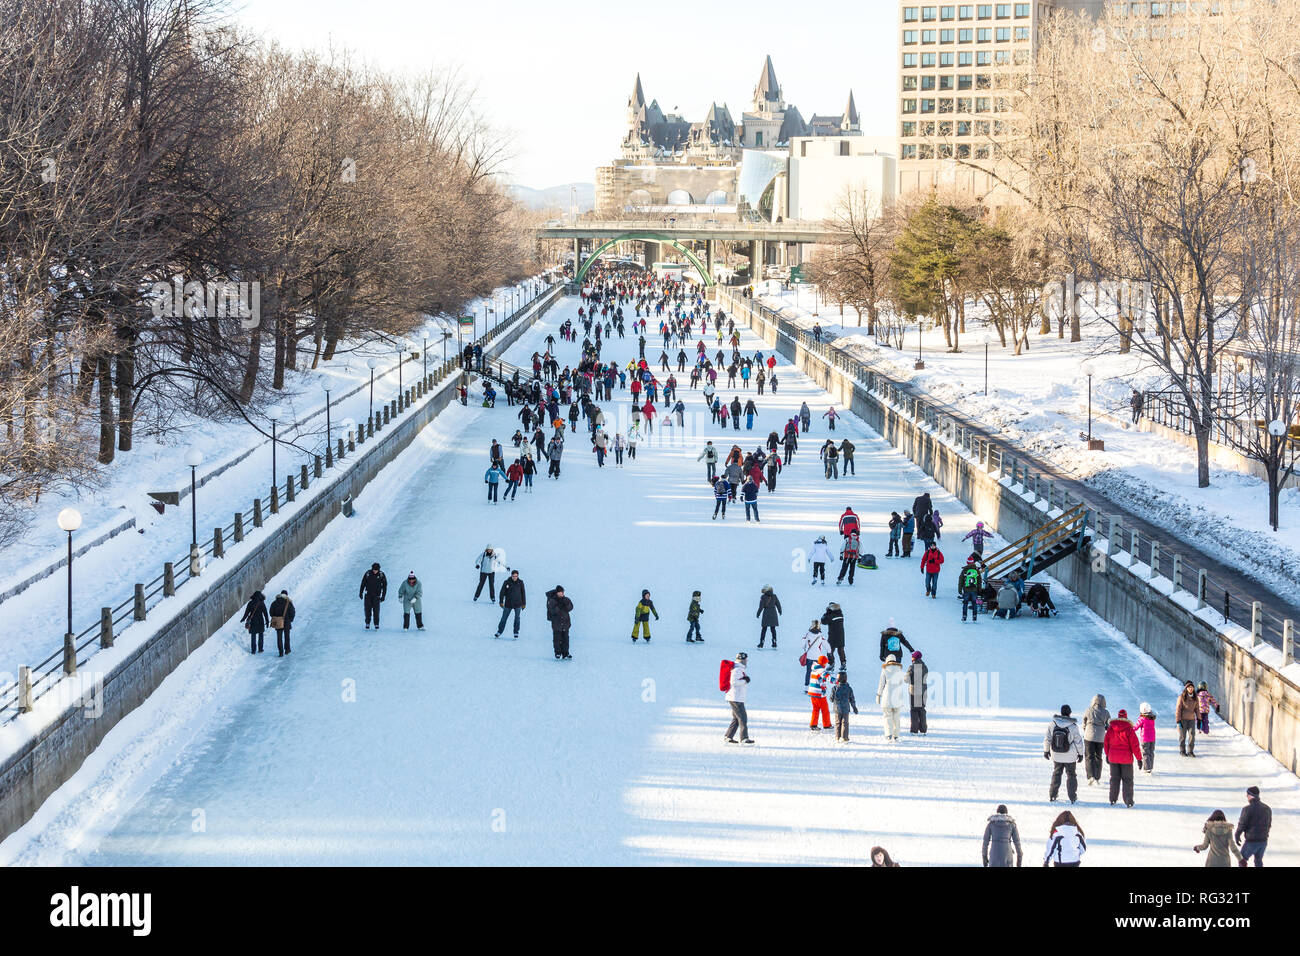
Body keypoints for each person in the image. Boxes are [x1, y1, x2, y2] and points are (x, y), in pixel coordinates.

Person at [1044, 704, 1084, 803]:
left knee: (1057, 773)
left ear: (1061, 712)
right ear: (1070, 713)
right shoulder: (1073, 726)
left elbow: (1048, 738)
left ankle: (1052, 795)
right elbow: (1078, 741)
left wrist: (1046, 751)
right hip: (1070, 756)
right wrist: (1081, 754)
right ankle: (1072, 797)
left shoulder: (1052, 724)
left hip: (1056, 754)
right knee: (1071, 775)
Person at [1103, 708, 1142, 807]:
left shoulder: (1111, 729)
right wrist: (1139, 759)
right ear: (1126, 717)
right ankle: (1128, 801)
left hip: (1113, 758)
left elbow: (1106, 742)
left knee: (1114, 779)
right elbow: (1135, 745)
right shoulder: (1129, 729)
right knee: (1127, 780)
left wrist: (1107, 754)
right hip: (1126, 759)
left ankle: (1112, 799)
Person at [1236, 786, 1271, 866]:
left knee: (1242, 860)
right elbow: (1269, 824)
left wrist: (1237, 835)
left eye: (1247, 794)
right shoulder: (1267, 809)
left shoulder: (1247, 809)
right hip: (1263, 841)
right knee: (1258, 861)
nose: (1246, 796)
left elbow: (1242, 824)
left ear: (1251, 795)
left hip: (1251, 841)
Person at [723, 651, 753, 744]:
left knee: (736, 718)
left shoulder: (738, 668)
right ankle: (744, 738)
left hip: (736, 697)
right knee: (743, 718)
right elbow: (734, 682)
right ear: (742, 660)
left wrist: (744, 679)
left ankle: (728, 736)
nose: (746, 661)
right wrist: (745, 681)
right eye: (745, 659)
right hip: (735, 698)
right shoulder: (737, 669)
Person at [1080, 694, 1110, 787]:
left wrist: (1086, 729)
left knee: (1089, 756)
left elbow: (1084, 722)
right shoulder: (1106, 712)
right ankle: (1097, 777)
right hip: (1100, 738)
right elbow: (1109, 725)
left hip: (1089, 736)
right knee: (1098, 757)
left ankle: (1090, 776)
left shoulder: (1088, 710)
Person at [876, 654, 907, 741]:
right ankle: (896, 735)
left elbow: (881, 683)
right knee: (896, 716)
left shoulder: (885, 669)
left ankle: (888, 734)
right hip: (897, 696)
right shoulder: (899, 669)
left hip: (887, 695)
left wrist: (878, 695)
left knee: (887, 715)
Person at [495, 569, 526, 639]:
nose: (515, 577)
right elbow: (502, 592)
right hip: (508, 603)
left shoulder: (520, 582)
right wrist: (501, 601)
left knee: (517, 619)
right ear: (511, 576)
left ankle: (516, 632)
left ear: (518, 576)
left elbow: (523, 593)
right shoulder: (507, 582)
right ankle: (499, 631)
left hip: (518, 604)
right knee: (503, 618)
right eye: (513, 576)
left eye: (516, 576)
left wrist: (524, 603)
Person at [545, 584, 573, 660]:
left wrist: (566, 605)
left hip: (565, 622)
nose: (561, 593)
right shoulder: (552, 600)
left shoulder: (566, 599)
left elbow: (571, 607)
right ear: (557, 592)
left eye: (562, 592)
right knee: (557, 639)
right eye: (560, 592)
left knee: (566, 639)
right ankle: (557, 653)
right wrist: (558, 608)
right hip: (556, 623)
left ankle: (566, 653)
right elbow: (551, 610)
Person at [830, 669, 858, 742]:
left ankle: (837, 737)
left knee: (837, 723)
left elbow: (831, 699)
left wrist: (833, 698)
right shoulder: (849, 688)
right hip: (845, 708)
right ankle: (844, 738)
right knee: (845, 723)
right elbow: (852, 699)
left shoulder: (834, 688)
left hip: (837, 708)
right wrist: (854, 707)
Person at [807, 654, 833, 732]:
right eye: (825, 663)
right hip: (819, 693)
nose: (826, 665)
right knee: (825, 709)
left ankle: (813, 724)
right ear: (823, 663)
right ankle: (827, 725)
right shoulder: (820, 670)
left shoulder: (814, 669)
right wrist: (837, 681)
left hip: (812, 692)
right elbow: (826, 676)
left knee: (816, 709)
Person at [358, 562, 387, 630]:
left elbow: (385, 586)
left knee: (376, 611)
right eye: (374, 569)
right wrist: (361, 593)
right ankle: (367, 623)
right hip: (368, 595)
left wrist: (383, 596)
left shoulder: (381, 574)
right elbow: (363, 583)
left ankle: (376, 624)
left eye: (376, 570)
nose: (375, 571)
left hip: (377, 596)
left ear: (379, 569)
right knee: (367, 610)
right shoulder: (368, 573)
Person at [800, 621, 829, 686]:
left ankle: (806, 687)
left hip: (809, 657)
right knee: (817, 672)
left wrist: (805, 648)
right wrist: (829, 652)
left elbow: (802, 644)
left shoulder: (808, 634)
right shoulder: (820, 636)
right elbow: (826, 645)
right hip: (817, 657)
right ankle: (816, 686)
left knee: (808, 672)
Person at [906, 651, 928, 735]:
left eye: (912, 657)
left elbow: (906, 679)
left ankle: (914, 730)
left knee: (914, 710)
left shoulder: (912, 667)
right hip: (923, 691)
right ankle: (923, 730)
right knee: (921, 709)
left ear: (914, 658)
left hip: (914, 691)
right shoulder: (925, 667)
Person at [241, 590, 269, 654]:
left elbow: (246, 612)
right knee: (261, 635)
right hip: (260, 621)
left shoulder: (250, 603)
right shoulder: (261, 603)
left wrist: (243, 619)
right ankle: (260, 649)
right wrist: (267, 621)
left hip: (252, 621)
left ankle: (253, 650)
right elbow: (265, 613)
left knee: (253, 636)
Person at [269, 589, 295, 657]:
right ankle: (287, 650)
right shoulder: (288, 602)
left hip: (278, 622)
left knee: (279, 637)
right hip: (286, 622)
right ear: (286, 595)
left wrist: (276, 617)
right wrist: (291, 619)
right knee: (287, 636)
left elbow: (271, 612)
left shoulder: (274, 603)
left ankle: (280, 652)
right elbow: (292, 612)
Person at [1175, 680, 1199, 756]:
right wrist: (1178, 721)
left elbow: (1197, 709)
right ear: (1186, 688)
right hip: (1183, 719)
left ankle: (1190, 751)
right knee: (1183, 736)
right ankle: (1182, 751)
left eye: (1192, 687)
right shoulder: (1182, 697)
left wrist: (1199, 719)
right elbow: (1178, 709)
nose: (1190, 689)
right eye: (1189, 687)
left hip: (1191, 719)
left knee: (1192, 735)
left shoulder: (1195, 697)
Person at [821, 602, 846, 669]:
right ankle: (843, 664)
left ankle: (831, 664)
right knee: (841, 650)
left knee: (830, 650)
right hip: (841, 635)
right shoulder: (840, 614)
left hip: (832, 636)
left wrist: (827, 613)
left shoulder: (830, 615)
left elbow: (823, 621)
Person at [1135, 702, 1157, 773]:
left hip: (1145, 739)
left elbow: (1135, 727)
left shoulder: (1142, 718)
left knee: (1145, 753)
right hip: (1152, 738)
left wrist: (1129, 729)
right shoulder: (1152, 717)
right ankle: (1150, 767)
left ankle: (1147, 768)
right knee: (1151, 752)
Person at [958, 557, 981, 622]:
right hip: (974, 590)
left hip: (966, 590)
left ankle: (964, 616)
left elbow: (961, 580)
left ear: (967, 562)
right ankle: (974, 617)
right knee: (974, 603)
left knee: (965, 603)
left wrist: (960, 589)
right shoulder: (976, 570)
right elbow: (979, 580)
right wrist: (979, 589)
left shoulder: (964, 570)